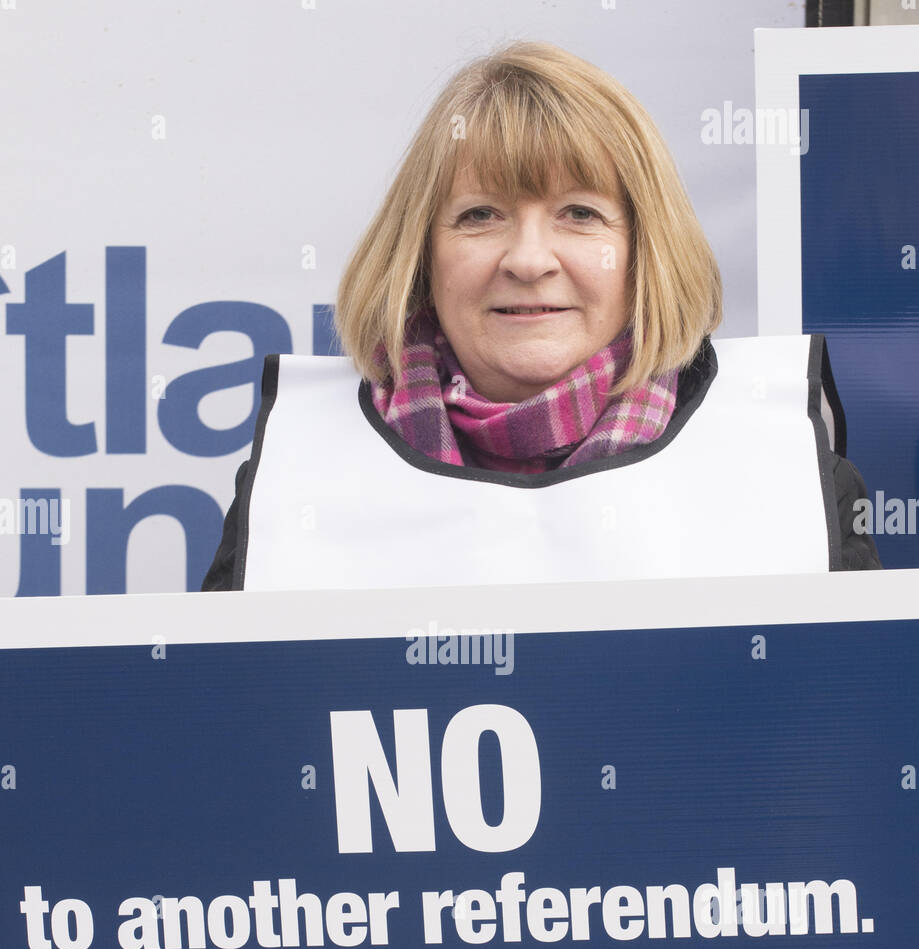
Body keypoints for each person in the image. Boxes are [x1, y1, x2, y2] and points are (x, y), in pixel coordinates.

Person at [201, 41, 880, 593]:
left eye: (579, 214)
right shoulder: (297, 466)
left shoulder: (779, 459)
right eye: (479, 215)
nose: (527, 259)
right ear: (421, 257)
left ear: (646, 251)